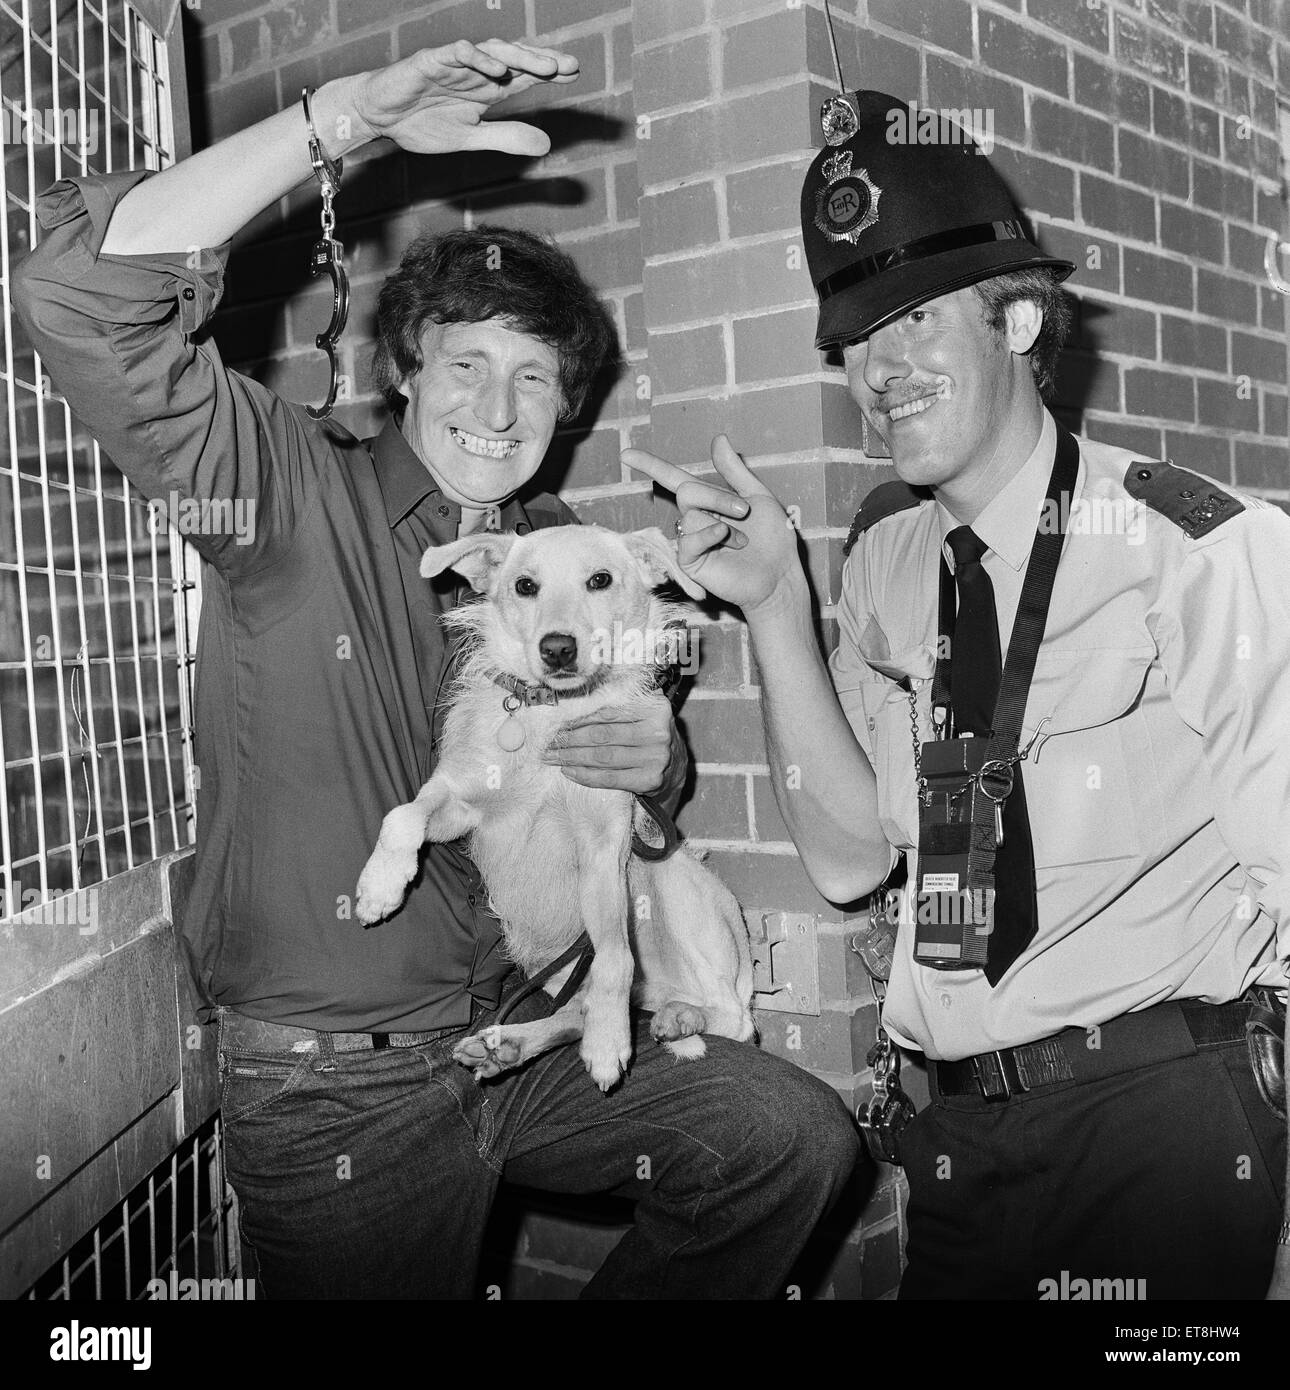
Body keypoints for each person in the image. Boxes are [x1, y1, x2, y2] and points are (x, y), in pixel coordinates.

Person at [13, 38, 860, 1300]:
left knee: (790, 1143)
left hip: (527, 1032)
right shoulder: (289, 489)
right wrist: (340, 117)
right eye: (465, 363)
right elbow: (74, 298)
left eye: (536, 379)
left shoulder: (564, 568)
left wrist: (660, 764)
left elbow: (614, 800)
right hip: (336, 1080)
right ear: (408, 370)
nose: (500, 408)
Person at [627, 88, 1290, 1301]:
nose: (880, 371)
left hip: (1159, 1126)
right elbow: (844, 858)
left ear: (1023, 319)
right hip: (963, 1144)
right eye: (856, 341)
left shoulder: (1199, 550)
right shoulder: (887, 565)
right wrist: (777, 602)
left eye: (919, 321)